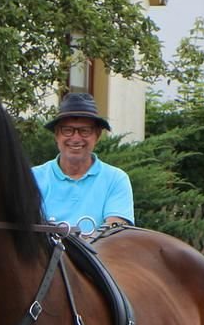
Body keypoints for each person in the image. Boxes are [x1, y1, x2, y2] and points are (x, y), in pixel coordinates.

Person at [30, 92, 132, 231]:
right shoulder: (33, 178)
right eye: (67, 130)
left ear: (97, 135)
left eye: (85, 131)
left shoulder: (116, 179)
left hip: (98, 253)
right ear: (56, 135)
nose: (76, 138)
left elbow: (115, 233)